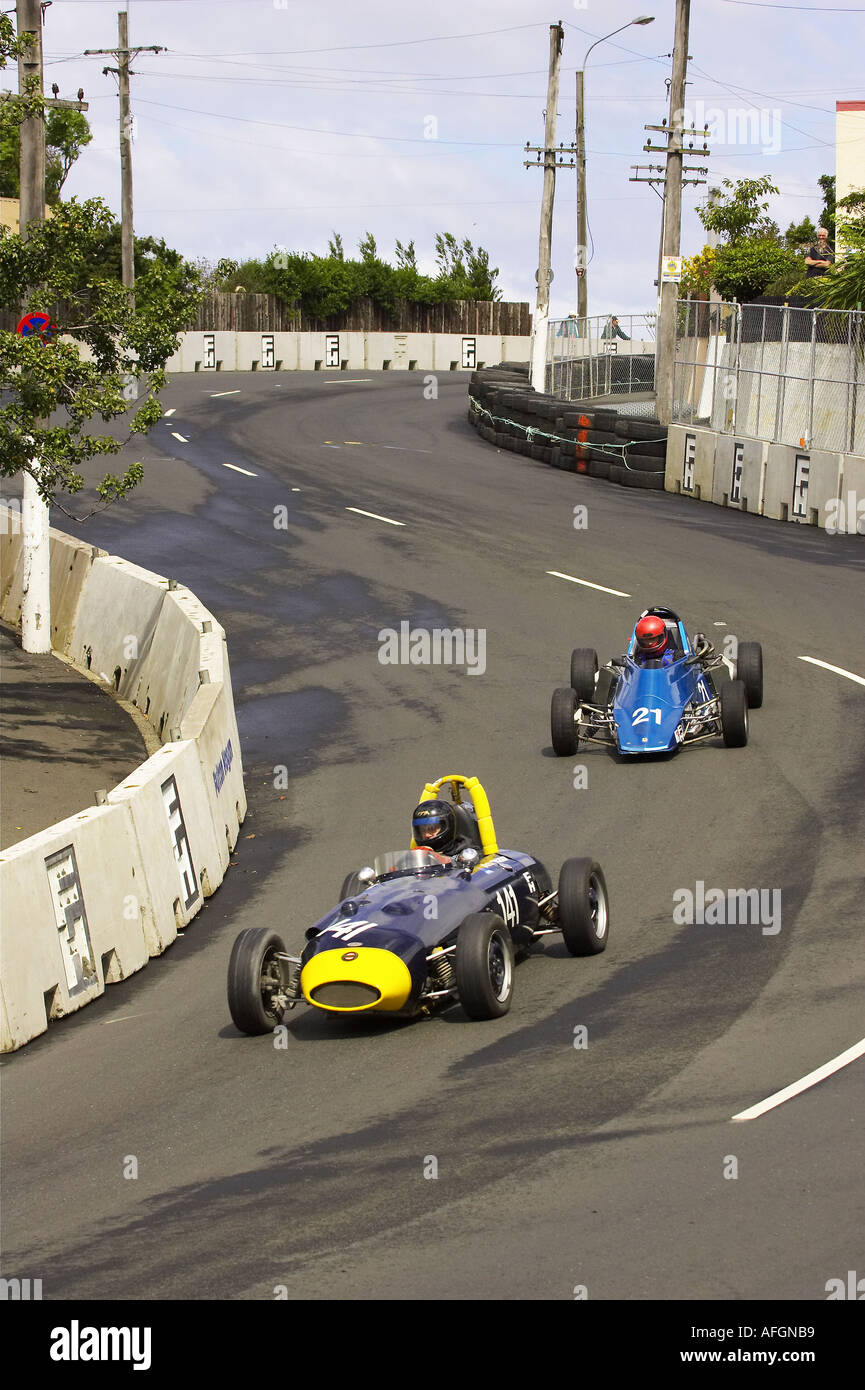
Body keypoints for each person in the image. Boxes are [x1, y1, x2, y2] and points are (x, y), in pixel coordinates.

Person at [411, 800, 478, 858]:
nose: (426, 834)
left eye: (431, 828)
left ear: (446, 826)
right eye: (422, 830)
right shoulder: (418, 856)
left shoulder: (466, 853)